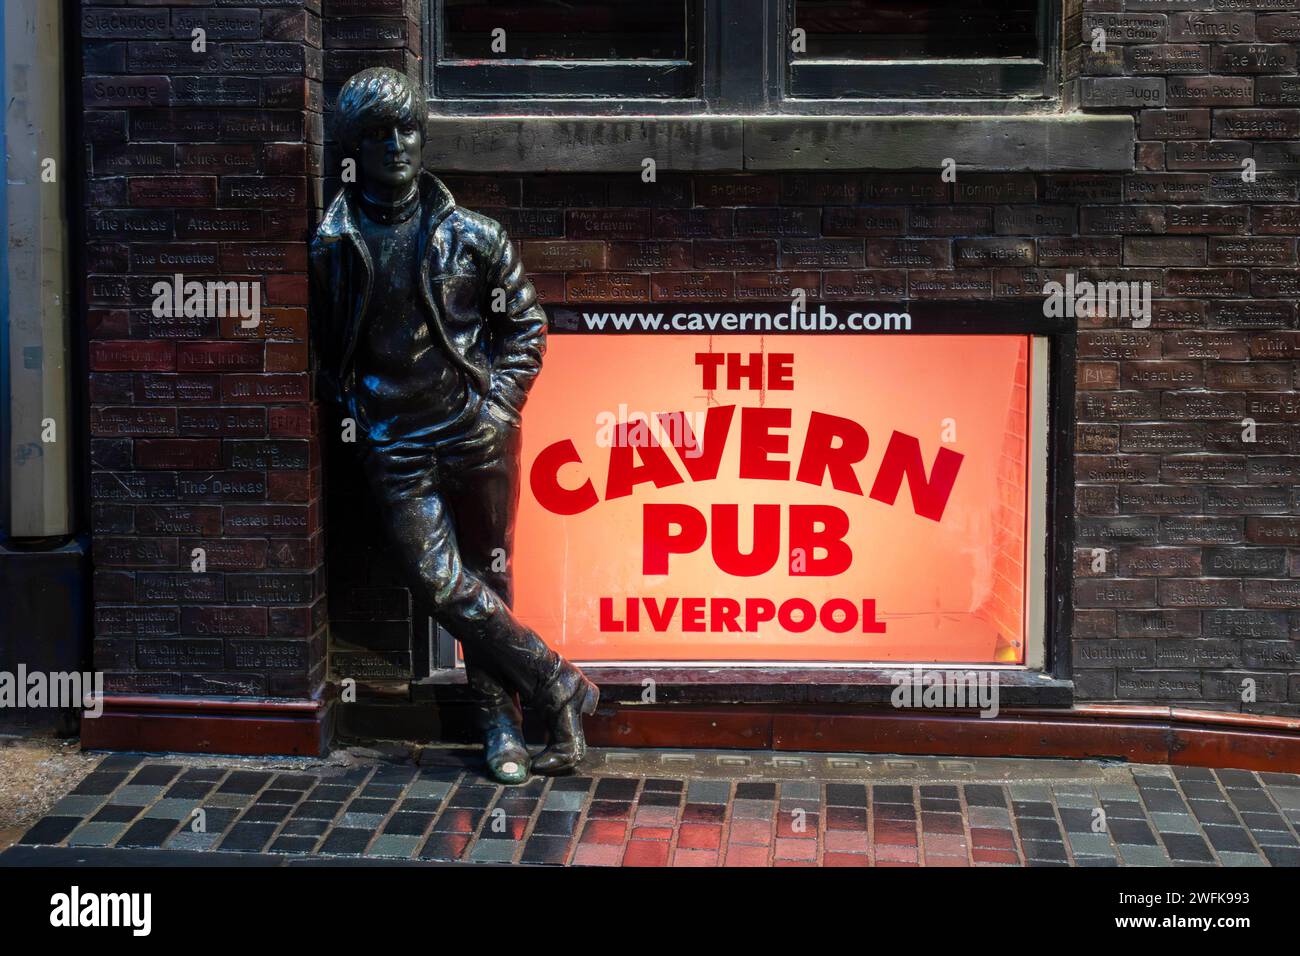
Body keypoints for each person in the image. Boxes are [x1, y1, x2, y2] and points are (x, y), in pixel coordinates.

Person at [310, 67, 598, 783]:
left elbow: (526, 323)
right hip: (395, 444)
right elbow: (321, 347)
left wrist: (498, 407)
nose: (397, 145)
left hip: (477, 433)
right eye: (378, 135)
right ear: (355, 147)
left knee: (487, 581)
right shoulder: (335, 242)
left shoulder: (473, 235)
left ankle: (507, 729)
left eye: (406, 129)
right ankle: (559, 680)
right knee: (439, 582)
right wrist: (357, 413)